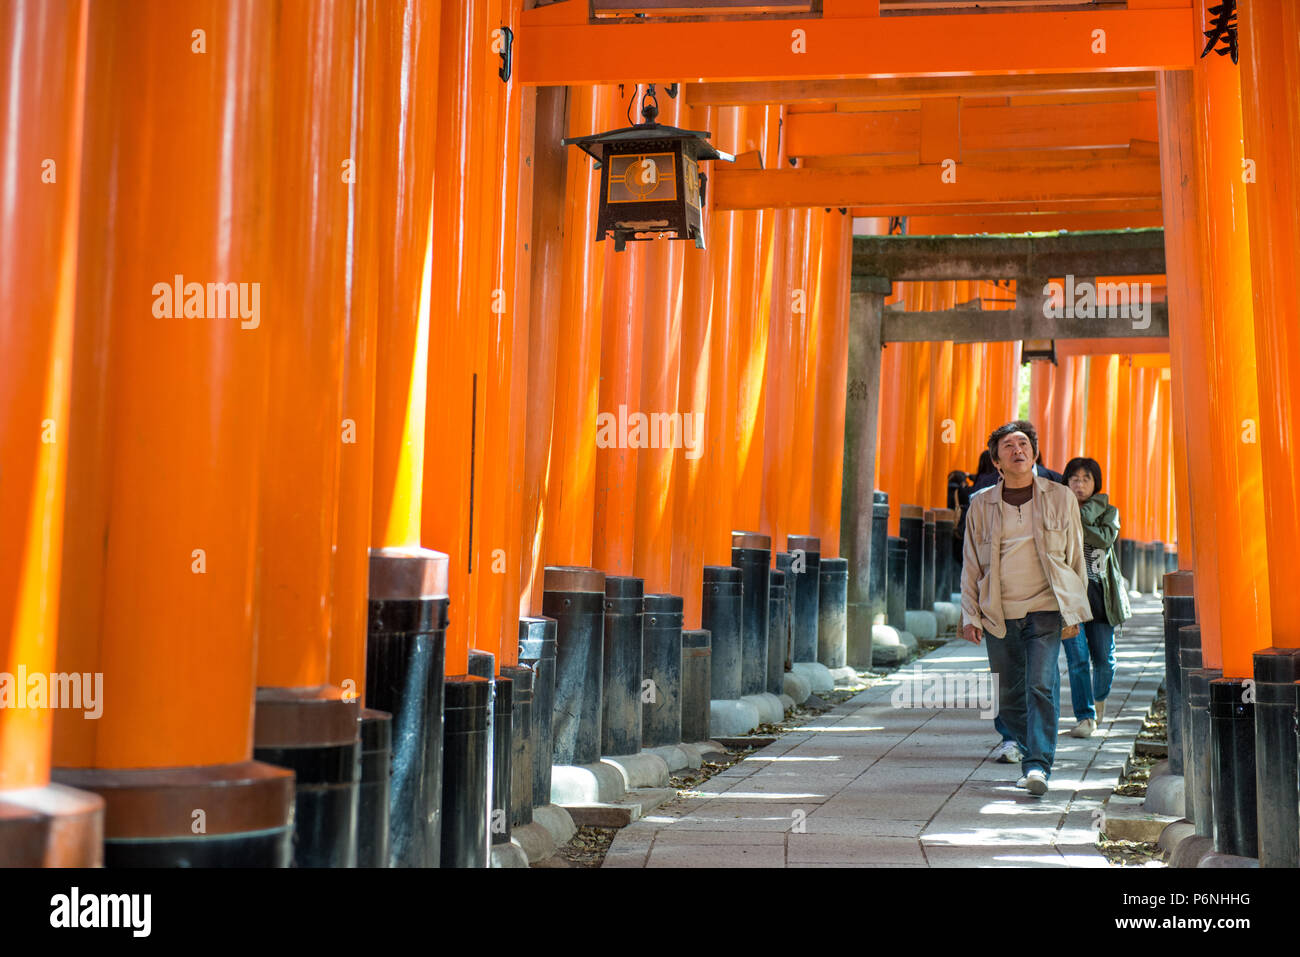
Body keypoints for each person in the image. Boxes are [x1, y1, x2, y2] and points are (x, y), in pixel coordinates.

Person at [960, 420, 1092, 796]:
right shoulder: (981, 504)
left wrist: (1074, 611)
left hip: (1047, 607)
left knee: (1040, 684)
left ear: (1034, 452)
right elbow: (971, 564)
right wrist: (970, 615)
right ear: (996, 461)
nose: (1018, 450)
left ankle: (1038, 766)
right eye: (1008, 446)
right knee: (1008, 693)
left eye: (1024, 444)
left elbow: (1075, 558)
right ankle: (1025, 744)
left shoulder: (1060, 496)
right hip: (998, 611)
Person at [1060, 456, 1131, 737]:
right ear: (1066, 482)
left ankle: (1098, 700)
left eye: (1085, 479)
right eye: (1074, 479)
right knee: (1077, 660)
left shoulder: (1109, 512)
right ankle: (1086, 718)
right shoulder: (1056, 511)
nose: (1079, 484)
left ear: (1095, 483)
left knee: (1104, 660)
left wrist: (1074, 520)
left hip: (1101, 595)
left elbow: (1102, 539)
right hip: (1070, 597)